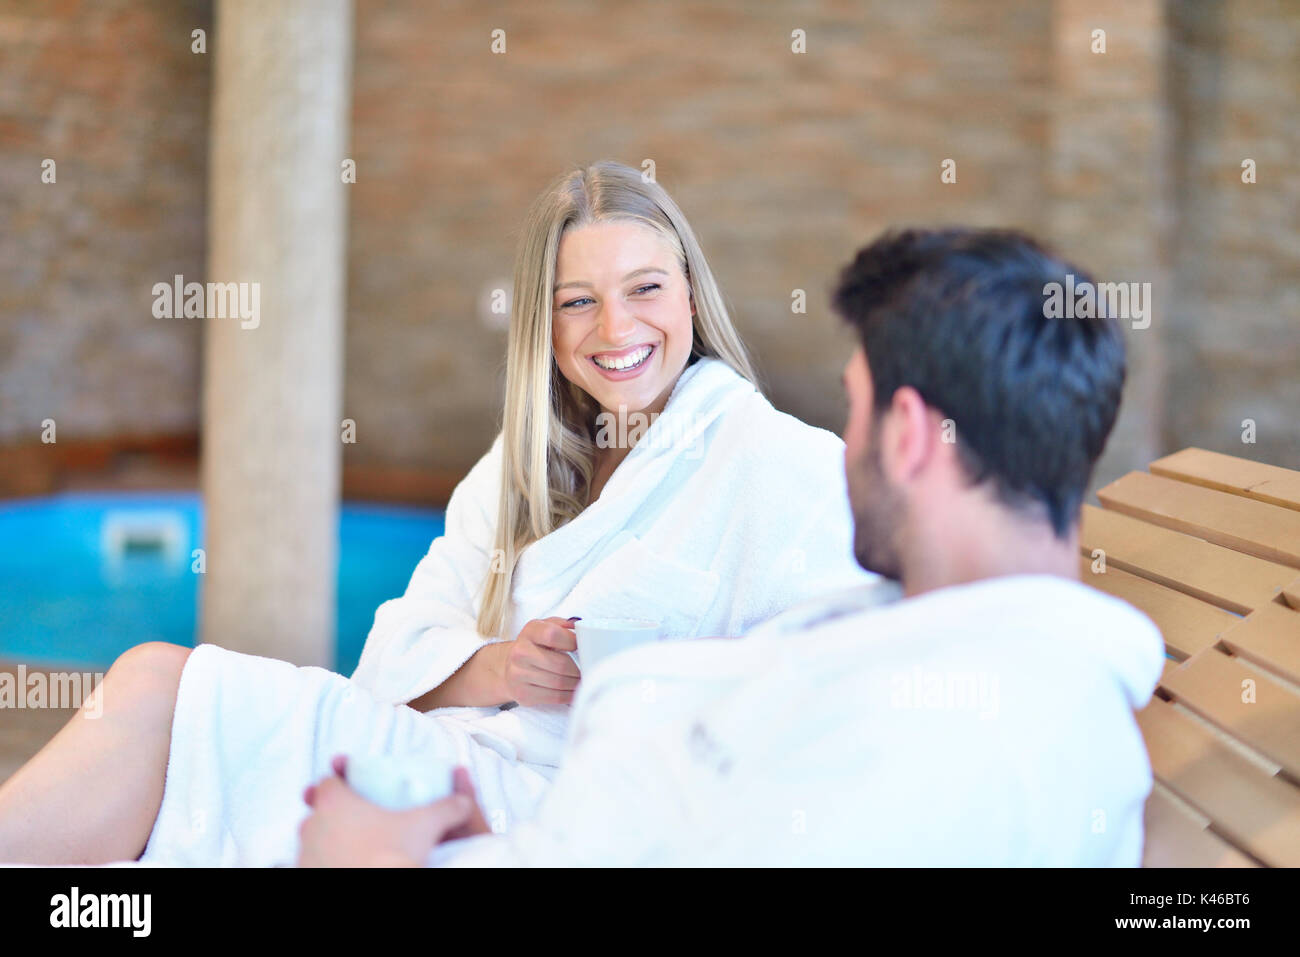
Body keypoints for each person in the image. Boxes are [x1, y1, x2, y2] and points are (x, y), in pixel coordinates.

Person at [0, 162, 873, 866]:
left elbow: (834, 690)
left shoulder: (775, 464)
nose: (616, 327)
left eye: (645, 287)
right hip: (448, 762)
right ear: (545, 322)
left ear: (689, 292)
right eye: (578, 300)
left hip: (576, 807)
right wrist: (501, 669)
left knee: (171, 724)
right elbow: (395, 647)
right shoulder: (521, 467)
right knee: (158, 682)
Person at [297, 226, 1165, 867]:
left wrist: (369, 864)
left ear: (905, 435)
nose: (837, 444)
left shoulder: (949, 735)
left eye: (851, 405)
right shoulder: (949, 650)